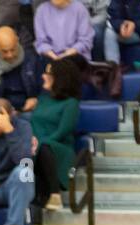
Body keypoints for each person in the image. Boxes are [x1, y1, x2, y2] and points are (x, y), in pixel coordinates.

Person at [30, 58, 82, 211]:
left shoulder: (70, 103)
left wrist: (37, 145)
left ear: (59, 78)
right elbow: (33, 126)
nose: (43, 76)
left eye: (47, 73)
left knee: (45, 147)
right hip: (37, 147)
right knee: (22, 154)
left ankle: (55, 194)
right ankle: (27, 195)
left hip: (58, 149)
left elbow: (62, 132)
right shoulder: (42, 99)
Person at [0, 26, 43, 112]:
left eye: (13, 49)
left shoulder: (32, 60)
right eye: (5, 51)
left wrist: (36, 99)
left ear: (17, 41)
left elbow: (44, 89)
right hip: (1, 110)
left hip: (29, 109)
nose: (10, 55)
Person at [35, 0, 94, 69]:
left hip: (75, 56)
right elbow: (41, 42)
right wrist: (54, 56)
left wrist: (66, 55)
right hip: (51, 57)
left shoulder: (80, 9)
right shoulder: (41, 10)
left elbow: (85, 41)